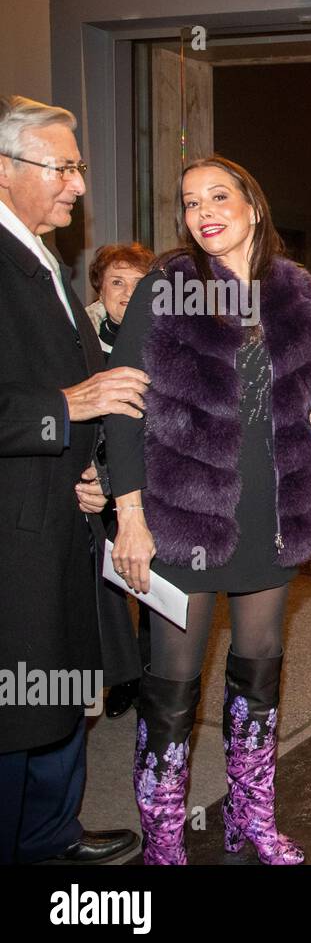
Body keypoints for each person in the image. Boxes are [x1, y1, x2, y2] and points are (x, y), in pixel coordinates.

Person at [104, 154, 311, 864]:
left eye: (218, 196)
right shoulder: (168, 286)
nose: (203, 211)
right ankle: (165, 840)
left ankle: (250, 819)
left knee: (261, 670)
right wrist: (130, 514)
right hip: (182, 517)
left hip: (272, 512)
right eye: (189, 202)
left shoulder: (297, 292)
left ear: (252, 204)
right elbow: (123, 405)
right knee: (172, 685)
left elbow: (305, 400)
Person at [0, 94, 143, 865]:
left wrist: (90, 464)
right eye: (63, 168)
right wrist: (65, 408)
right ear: (3, 169)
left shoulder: (39, 255)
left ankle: (51, 836)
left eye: (79, 167)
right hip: (12, 533)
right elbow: (59, 392)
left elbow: (90, 377)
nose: (79, 185)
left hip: (62, 516)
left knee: (58, 692)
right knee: (17, 704)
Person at [85, 241, 156, 721]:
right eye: (117, 282)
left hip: (146, 480)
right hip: (92, 485)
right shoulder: (78, 335)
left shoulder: (165, 336)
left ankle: (154, 675)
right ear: (100, 288)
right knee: (105, 583)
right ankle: (121, 673)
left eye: (139, 284)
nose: (127, 294)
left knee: (154, 584)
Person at [87, 242, 152, 355]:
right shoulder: (78, 345)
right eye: (117, 282)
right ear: (101, 293)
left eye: (139, 283)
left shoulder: (176, 345)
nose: (129, 292)